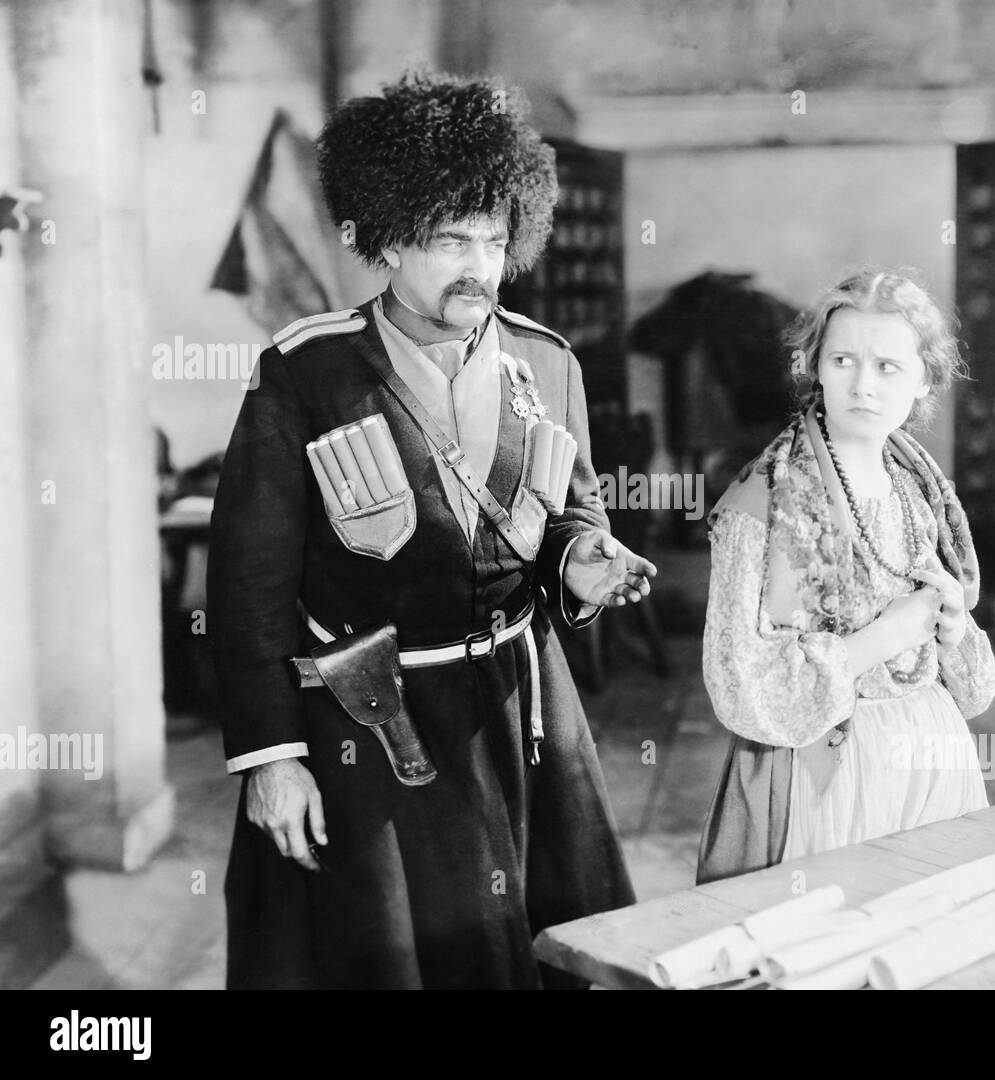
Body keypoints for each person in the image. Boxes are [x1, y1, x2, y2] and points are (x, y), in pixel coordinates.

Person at [208, 71, 655, 988]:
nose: (479, 269)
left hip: (521, 711)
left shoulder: (546, 360)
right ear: (384, 237)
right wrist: (274, 760)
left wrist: (586, 566)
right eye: (452, 240)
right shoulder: (307, 374)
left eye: (494, 241)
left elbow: (576, 516)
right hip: (370, 725)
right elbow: (247, 589)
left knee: (552, 951)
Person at [696, 267, 995, 884]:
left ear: (924, 381)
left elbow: (973, 692)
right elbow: (741, 690)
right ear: (814, 368)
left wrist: (952, 628)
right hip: (824, 774)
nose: (863, 385)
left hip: (932, 756)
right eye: (842, 360)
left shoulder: (920, 491)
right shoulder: (764, 504)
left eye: (888, 366)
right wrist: (883, 638)